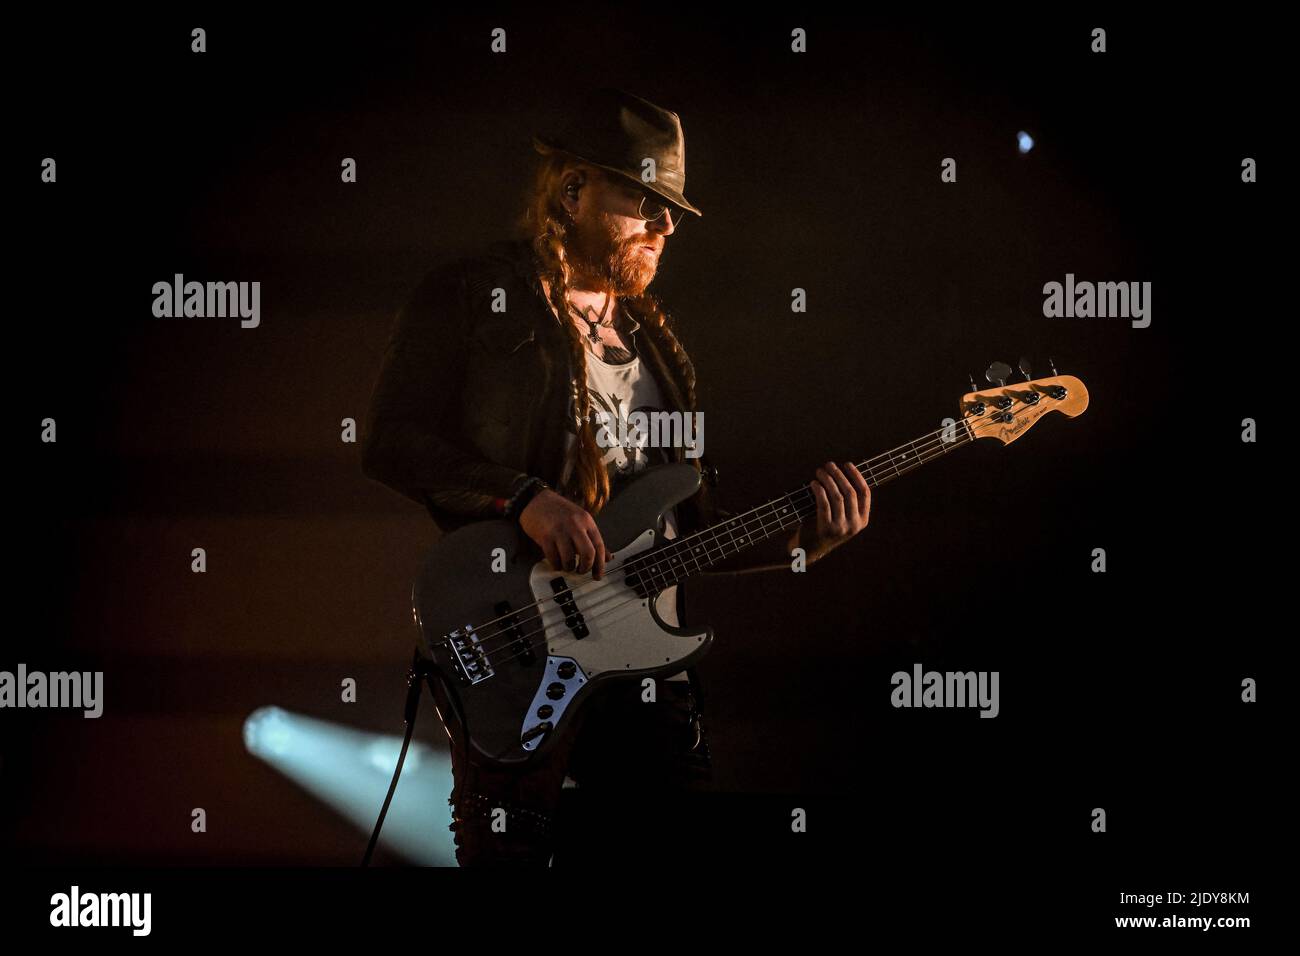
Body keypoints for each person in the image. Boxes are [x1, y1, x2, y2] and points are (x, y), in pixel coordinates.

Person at [361, 87, 871, 866]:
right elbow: (392, 443)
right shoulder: (472, 296)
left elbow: (685, 533)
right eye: (645, 201)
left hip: (650, 681)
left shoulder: (662, 349)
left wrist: (806, 541)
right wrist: (526, 500)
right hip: (523, 655)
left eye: (672, 210)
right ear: (573, 192)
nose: (666, 226)